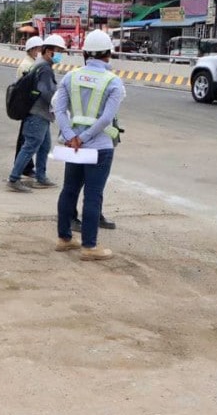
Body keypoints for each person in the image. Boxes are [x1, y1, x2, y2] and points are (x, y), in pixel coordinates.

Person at [54, 30, 125, 261]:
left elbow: (59, 109)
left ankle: (64, 238)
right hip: (99, 147)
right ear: (107, 55)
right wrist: (84, 138)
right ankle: (89, 246)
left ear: (85, 53)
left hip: (74, 147)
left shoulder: (70, 77)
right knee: (93, 195)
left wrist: (70, 136)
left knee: (69, 190)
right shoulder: (113, 82)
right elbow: (106, 118)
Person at [6, 34, 63, 193]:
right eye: (57, 51)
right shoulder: (44, 68)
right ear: (47, 51)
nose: (59, 55)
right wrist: (59, 102)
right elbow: (46, 92)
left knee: (44, 147)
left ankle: (41, 177)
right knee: (30, 147)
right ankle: (14, 178)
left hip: (42, 115)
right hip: (37, 114)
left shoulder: (41, 66)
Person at [15, 36, 44, 177]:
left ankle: (25, 166)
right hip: (28, 106)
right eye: (39, 49)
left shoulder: (34, 63)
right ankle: (22, 168)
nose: (41, 51)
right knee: (26, 139)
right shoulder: (27, 65)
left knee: (27, 138)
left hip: (31, 106)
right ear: (32, 49)